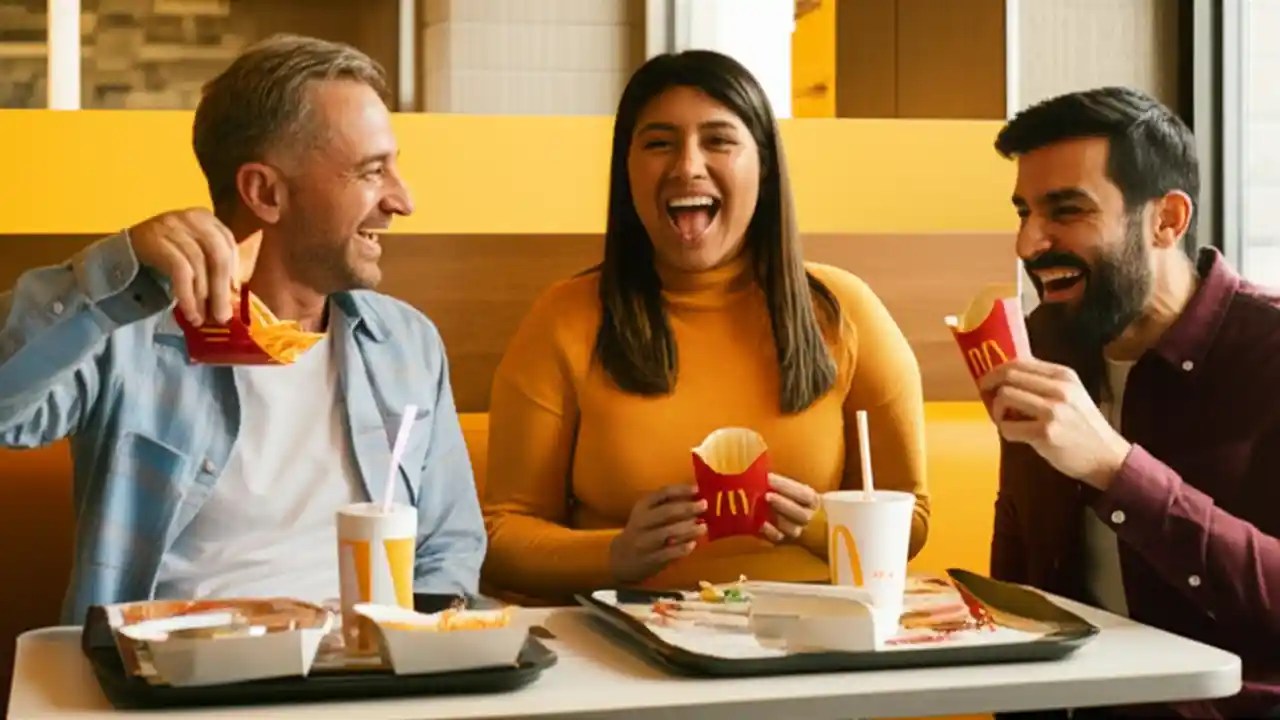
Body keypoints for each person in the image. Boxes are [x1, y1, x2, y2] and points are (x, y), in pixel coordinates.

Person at [0, 34, 485, 625]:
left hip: (364, 674)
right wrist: (109, 273)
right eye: (371, 171)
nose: (402, 201)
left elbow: (448, 547)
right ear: (265, 192)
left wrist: (422, 659)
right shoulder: (125, 336)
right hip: (175, 681)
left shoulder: (407, 344)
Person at [481, 50, 930, 605]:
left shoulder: (845, 311)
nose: (687, 166)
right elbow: (501, 535)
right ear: (626, 170)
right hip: (631, 642)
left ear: (763, 166)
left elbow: (911, 522)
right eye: (659, 143)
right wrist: (615, 553)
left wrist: (821, 524)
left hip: (817, 636)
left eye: (718, 140)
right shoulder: (564, 319)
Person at [982, 86, 1280, 718]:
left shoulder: (1270, 352)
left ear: (1167, 219)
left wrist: (1115, 470)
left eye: (1065, 210)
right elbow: (1021, 567)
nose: (1030, 243)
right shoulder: (1042, 343)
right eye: (1023, 213)